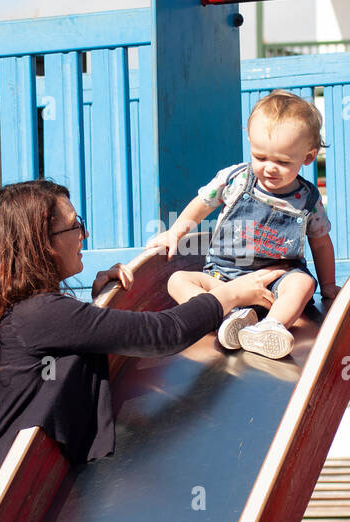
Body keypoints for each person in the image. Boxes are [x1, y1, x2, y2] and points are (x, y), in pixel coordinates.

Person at [0, 179, 280, 522]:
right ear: (42, 243)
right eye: (73, 226)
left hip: (4, 498)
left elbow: (73, 352)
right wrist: (226, 297)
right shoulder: (42, 314)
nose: (84, 233)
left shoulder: (24, 312)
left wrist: (98, 303)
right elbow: (161, 335)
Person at [146, 90, 340, 360]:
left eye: (283, 162)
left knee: (303, 283)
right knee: (178, 280)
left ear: (308, 157)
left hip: (276, 281)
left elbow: (320, 242)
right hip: (222, 280)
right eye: (260, 157)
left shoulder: (307, 199)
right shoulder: (235, 179)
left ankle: (271, 327)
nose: (269, 168)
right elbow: (202, 204)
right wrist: (176, 231)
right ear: (250, 143)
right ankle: (228, 318)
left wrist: (328, 284)